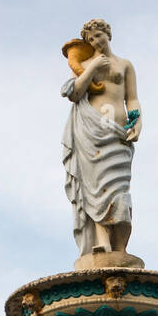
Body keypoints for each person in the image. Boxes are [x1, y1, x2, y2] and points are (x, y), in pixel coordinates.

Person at [61, 19, 142, 258]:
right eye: (91, 39)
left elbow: (132, 98)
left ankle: (121, 246)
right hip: (91, 131)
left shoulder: (125, 65)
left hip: (118, 133)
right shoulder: (86, 65)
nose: (97, 41)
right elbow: (75, 93)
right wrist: (92, 68)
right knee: (94, 188)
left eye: (99, 36)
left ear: (108, 35)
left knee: (118, 187)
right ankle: (102, 240)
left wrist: (137, 120)